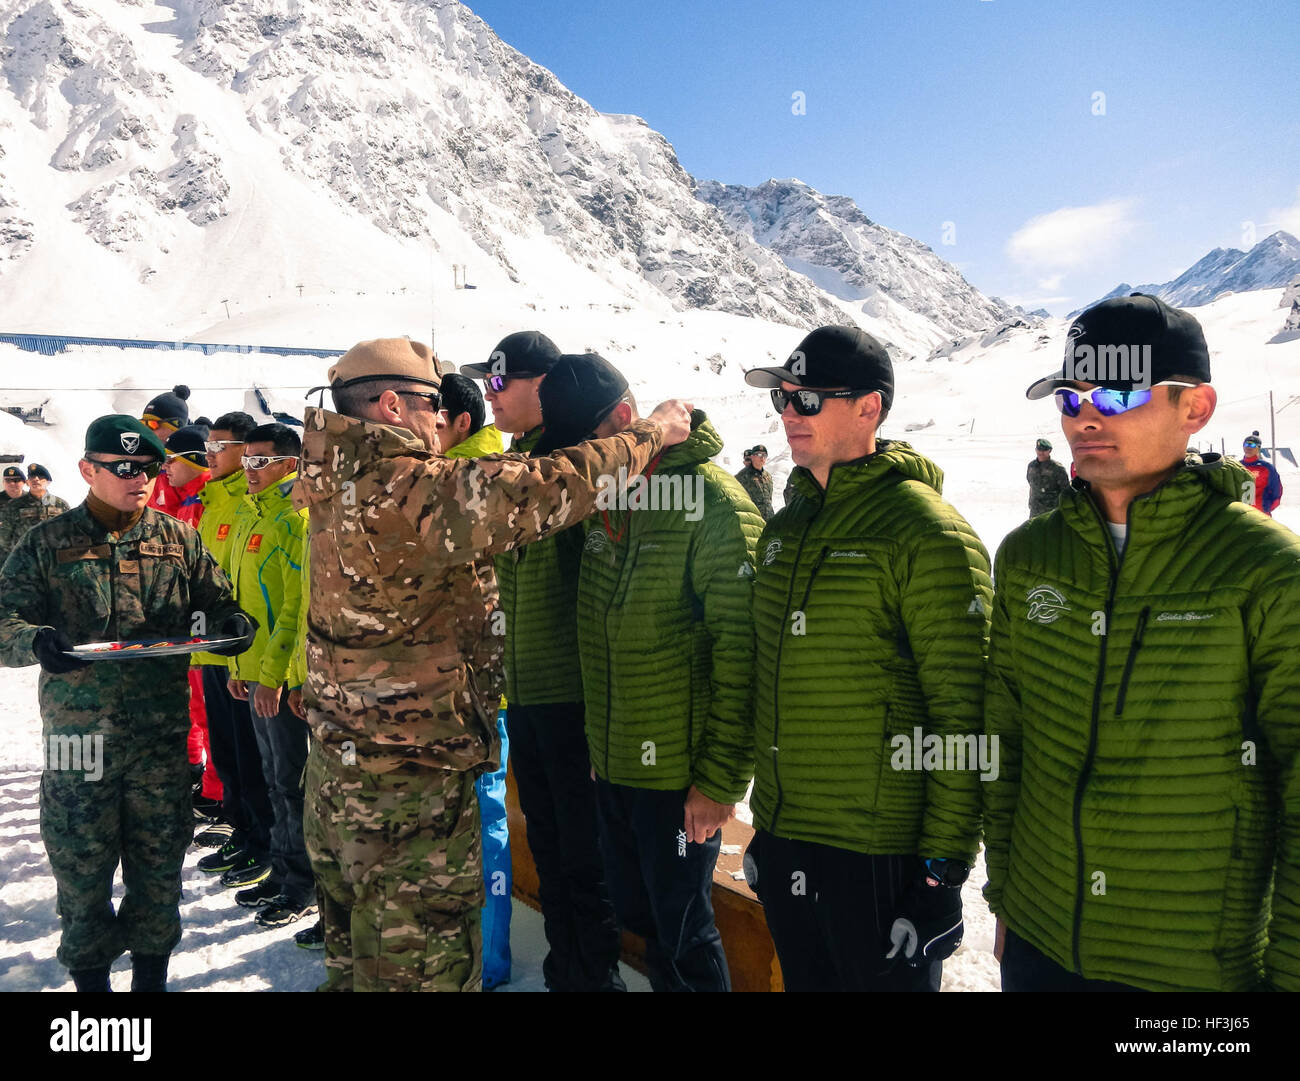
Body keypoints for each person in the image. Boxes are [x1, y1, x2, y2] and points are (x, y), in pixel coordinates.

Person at [292, 337, 692, 992]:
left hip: (340, 789)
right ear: (392, 404)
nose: (444, 418)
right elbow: (552, 485)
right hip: (406, 806)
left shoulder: (336, 479)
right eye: (431, 404)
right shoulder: (405, 488)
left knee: (359, 969)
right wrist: (653, 432)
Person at [985, 293, 1300, 992]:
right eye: (1070, 398)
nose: (1087, 416)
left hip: (1189, 973)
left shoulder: (1267, 568)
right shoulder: (1030, 555)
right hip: (1039, 947)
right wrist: (1007, 894)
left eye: (1119, 391)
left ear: (1197, 408)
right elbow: (1007, 739)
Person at [741, 325, 992, 992]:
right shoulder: (787, 526)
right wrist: (770, 825)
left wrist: (941, 871)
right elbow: (769, 682)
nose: (791, 414)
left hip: (879, 854)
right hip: (792, 837)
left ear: (868, 408)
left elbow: (964, 714)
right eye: (784, 400)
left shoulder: (925, 530)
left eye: (809, 400)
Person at [0, 415, 253, 992]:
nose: (139, 478)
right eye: (123, 468)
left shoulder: (178, 538)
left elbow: (217, 603)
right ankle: (92, 994)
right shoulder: (45, 543)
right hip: (77, 740)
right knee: (80, 869)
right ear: (88, 470)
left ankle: (149, 986)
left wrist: (233, 623)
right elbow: (2, 620)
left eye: (148, 469)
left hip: (159, 739)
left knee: (159, 868)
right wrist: (34, 642)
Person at [559, 352, 763, 993]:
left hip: (679, 778)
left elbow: (742, 653)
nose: (584, 465)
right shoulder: (607, 497)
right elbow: (596, 631)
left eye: (589, 445)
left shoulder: (715, 503)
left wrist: (719, 780)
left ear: (624, 420)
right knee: (641, 919)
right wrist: (601, 744)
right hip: (616, 763)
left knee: (683, 935)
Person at [465, 333, 625, 992]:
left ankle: (596, 979)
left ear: (545, 384)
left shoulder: (574, 469)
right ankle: (568, 973)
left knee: (586, 864)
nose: (489, 396)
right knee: (552, 856)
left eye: (501, 383)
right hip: (524, 693)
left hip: (574, 697)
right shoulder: (515, 466)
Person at [437, 373, 512, 988]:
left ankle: (488, 965)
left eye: (432, 418)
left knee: (484, 828)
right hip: (447, 693)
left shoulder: (475, 482)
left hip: (482, 697)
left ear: (462, 424)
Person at [222, 423, 314, 925]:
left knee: (292, 780)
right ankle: (281, 871)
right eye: (247, 460)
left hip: (279, 678)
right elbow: (244, 602)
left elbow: (297, 607)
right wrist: (239, 664)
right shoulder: (248, 514)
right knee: (274, 778)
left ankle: (303, 883)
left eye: (261, 461)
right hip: (255, 671)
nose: (249, 470)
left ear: (290, 465)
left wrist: (277, 675)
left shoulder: (294, 521)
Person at [192, 413, 275, 884]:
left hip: (248, 656)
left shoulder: (251, 503)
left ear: (247, 451)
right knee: (227, 755)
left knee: (255, 760)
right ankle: (243, 834)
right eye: (208, 445)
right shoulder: (216, 501)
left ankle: (264, 844)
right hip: (213, 651)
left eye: (219, 446)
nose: (209, 454)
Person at [163, 424, 219, 813]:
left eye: (172, 460)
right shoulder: (184, 500)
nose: (165, 468)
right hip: (183, 621)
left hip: (204, 622)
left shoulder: (205, 500)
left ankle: (216, 791)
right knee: (190, 706)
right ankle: (194, 771)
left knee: (208, 709)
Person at [1, 464, 71, 566]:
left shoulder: (60, 505)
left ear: (48, 481)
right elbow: (4, 538)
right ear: (27, 482)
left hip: (54, 562)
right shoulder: (14, 506)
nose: (36, 480)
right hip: (25, 564)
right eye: (32, 477)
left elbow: (70, 533)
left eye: (41, 477)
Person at [141, 385, 192, 517]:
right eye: (143, 424)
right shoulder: (146, 461)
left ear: (176, 426)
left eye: (152, 424)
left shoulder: (190, 464)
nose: (147, 431)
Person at [1241, 430, 1283, 515]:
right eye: (1246, 444)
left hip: (1261, 514)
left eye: (1252, 445)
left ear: (1258, 448)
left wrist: (1266, 508)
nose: (1248, 448)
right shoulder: (1237, 466)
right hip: (1241, 515)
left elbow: (1276, 491)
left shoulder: (1266, 468)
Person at [1026, 437, 1070, 517]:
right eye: (1039, 449)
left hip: (1051, 511)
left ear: (1049, 451)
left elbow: (1066, 490)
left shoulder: (1057, 468)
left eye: (1044, 450)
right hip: (1035, 509)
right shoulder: (1031, 466)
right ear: (1036, 450)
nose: (1041, 453)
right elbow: (1031, 484)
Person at [734, 442, 775, 520]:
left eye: (764, 455)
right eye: (759, 455)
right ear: (752, 457)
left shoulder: (768, 476)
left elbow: (768, 500)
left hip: (769, 519)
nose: (762, 458)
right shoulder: (742, 476)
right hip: (753, 521)